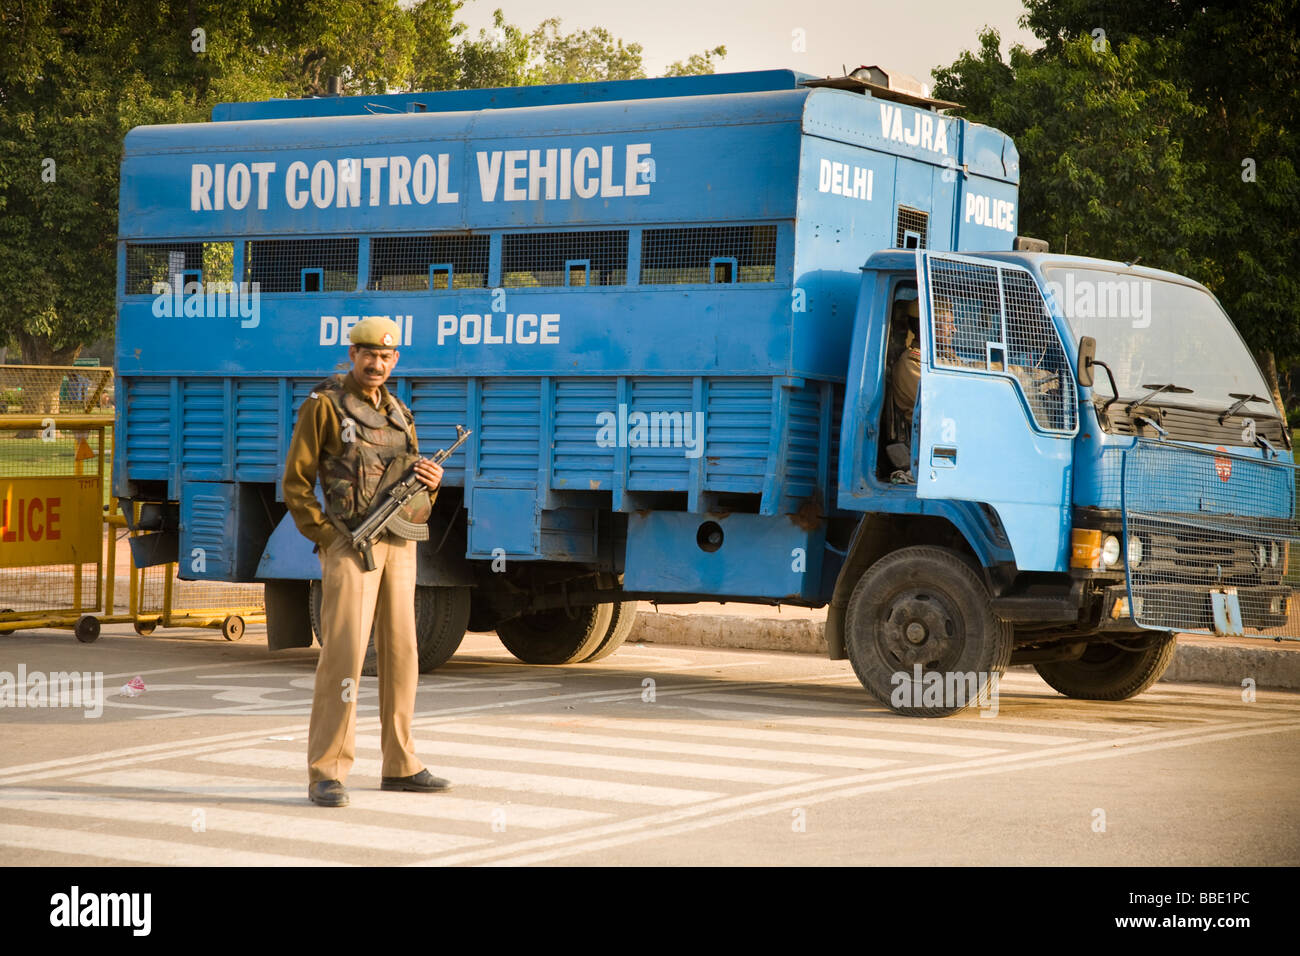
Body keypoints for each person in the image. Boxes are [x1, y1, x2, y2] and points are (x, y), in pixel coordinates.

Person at [283, 316, 449, 808]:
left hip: (400, 543)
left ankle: (400, 764)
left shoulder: (399, 411)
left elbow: (413, 479)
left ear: (395, 361)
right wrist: (326, 535)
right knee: (345, 658)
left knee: (402, 655)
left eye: (386, 356)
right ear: (352, 354)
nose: (377, 363)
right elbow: (296, 481)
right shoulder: (324, 406)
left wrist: (432, 481)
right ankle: (327, 770)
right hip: (351, 546)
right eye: (368, 354)